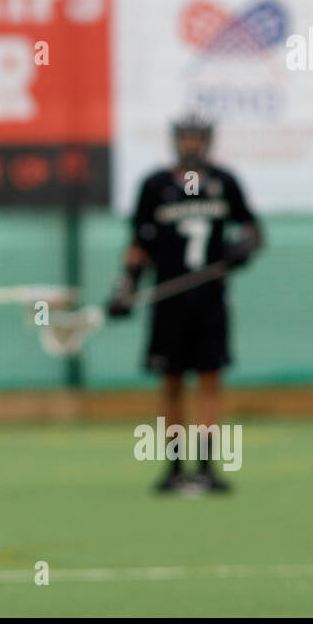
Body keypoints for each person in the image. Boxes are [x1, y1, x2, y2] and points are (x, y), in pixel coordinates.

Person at [106, 112, 262, 494]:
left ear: (207, 140)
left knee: (210, 380)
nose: (191, 144)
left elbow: (252, 229)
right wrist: (126, 285)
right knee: (171, 382)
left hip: (211, 300)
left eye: (197, 137)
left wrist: (244, 247)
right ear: (175, 140)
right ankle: (175, 467)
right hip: (168, 301)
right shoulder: (155, 186)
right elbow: (139, 245)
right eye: (185, 137)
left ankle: (206, 467)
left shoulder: (224, 183)